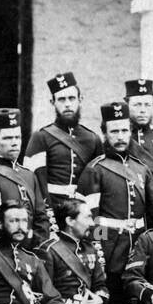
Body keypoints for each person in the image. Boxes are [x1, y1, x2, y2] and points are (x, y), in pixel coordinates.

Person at [77, 101, 153, 304]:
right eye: (114, 131)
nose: (121, 136)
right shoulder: (96, 169)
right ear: (104, 133)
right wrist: (103, 246)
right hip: (110, 250)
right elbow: (89, 221)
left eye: (125, 130)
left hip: (139, 247)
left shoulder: (141, 169)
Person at [23, 72, 103, 235]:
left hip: (83, 215)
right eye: (61, 99)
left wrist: (97, 231)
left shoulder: (93, 139)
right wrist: (47, 220)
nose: (67, 104)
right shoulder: (41, 137)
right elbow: (32, 182)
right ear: (52, 102)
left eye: (71, 99)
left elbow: (99, 185)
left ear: (80, 100)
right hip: (53, 212)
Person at [0, 107, 49, 245]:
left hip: (31, 249)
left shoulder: (29, 175)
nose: (14, 142)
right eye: (7, 138)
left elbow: (41, 218)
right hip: (5, 247)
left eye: (17, 137)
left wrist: (37, 244)